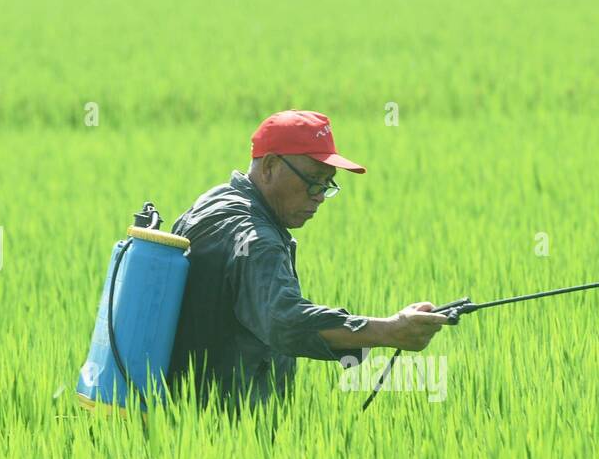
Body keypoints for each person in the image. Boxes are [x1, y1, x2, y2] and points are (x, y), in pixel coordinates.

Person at [166, 109, 448, 417]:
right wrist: (389, 331)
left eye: (327, 184)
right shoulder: (256, 237)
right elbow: (284, 320)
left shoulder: (213, 202)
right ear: (271, 166)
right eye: (313, 181)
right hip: (221, 428)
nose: (319, 196)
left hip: (182, 414)